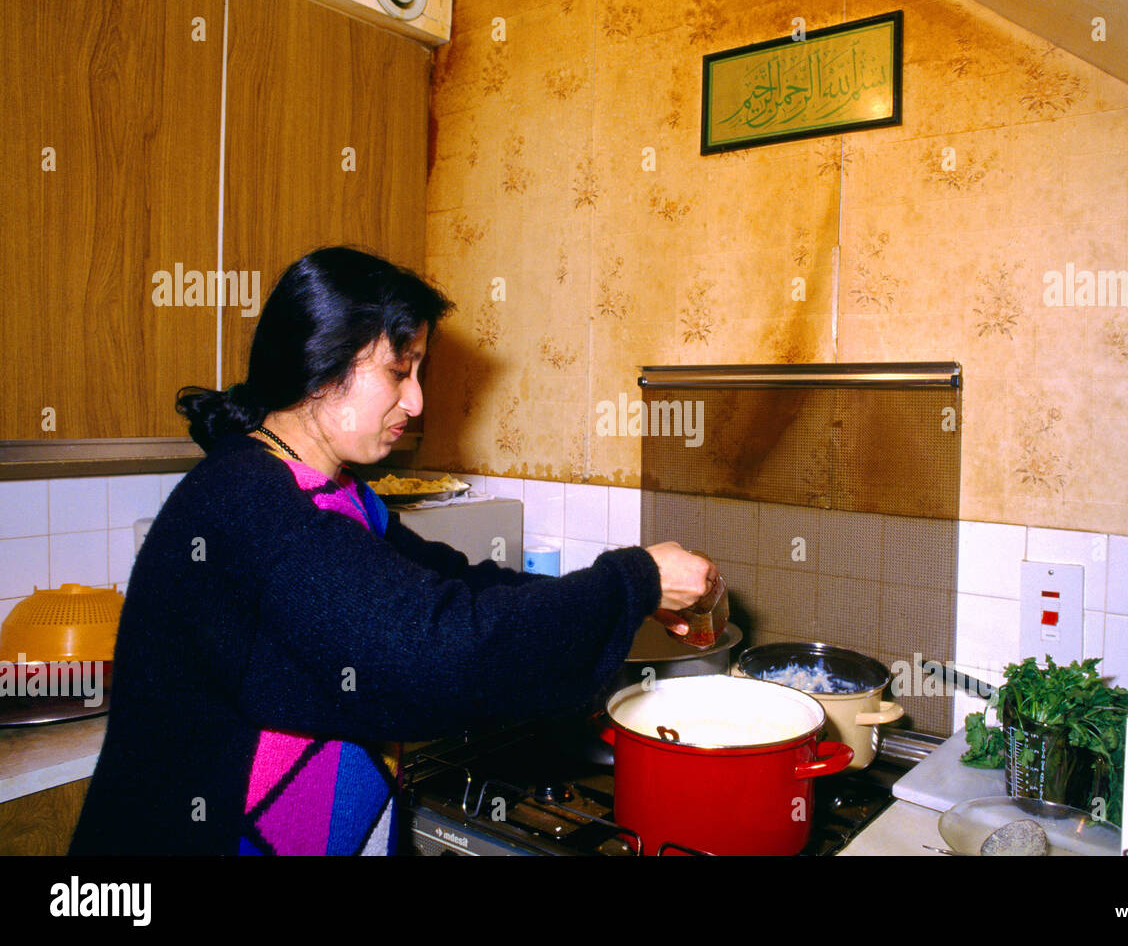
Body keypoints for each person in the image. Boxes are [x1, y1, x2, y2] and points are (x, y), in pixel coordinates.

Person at [69, 246, 714, 856]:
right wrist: (635, 581)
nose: (417, 400)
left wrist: (634, 596)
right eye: (398, 371)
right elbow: (438, 653)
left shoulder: (339, 494)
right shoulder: (247, 504)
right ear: (321, 367)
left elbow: (459, 587)